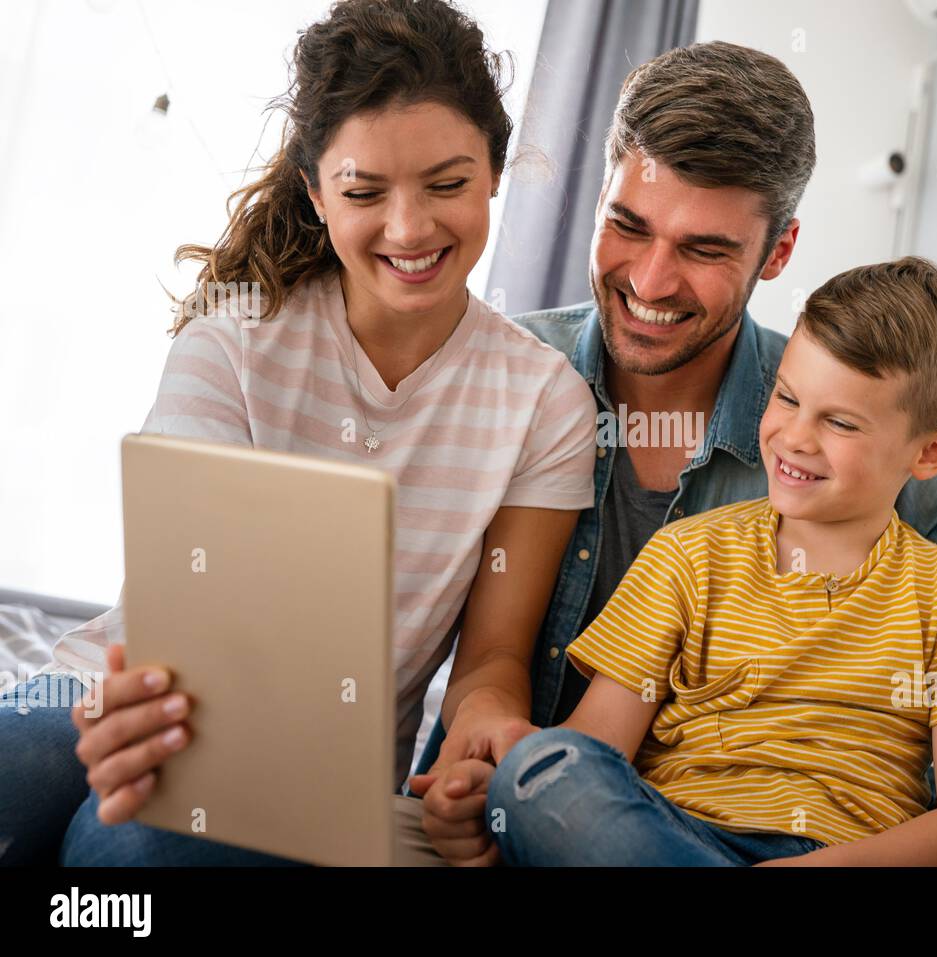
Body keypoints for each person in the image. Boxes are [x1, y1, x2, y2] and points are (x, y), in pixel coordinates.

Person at [413, 42, 937, 868]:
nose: (650, 281)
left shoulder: (900, 480)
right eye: (628, 225)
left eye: (704, 249)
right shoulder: (500, 381)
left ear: (779, 251)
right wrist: (488, 760)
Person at [0, 0, 594, 866]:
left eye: (448, 183)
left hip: (307, 759)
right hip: (134, 688)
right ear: (316, 192)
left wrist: (486, 725)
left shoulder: (543, 401)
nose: (411, 228)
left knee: (126, 852)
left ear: (496, 172)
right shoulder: (232, 342)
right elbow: (186, 618)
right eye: (364, 192)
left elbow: (494, 654)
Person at [487, 258, 937, 865]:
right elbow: (592, 747)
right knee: (536, 769)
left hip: (841, 855)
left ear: (931, 451)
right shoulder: (686, 556)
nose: (795, 437)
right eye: (787, 398)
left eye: (840, 422)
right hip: (671, 835)